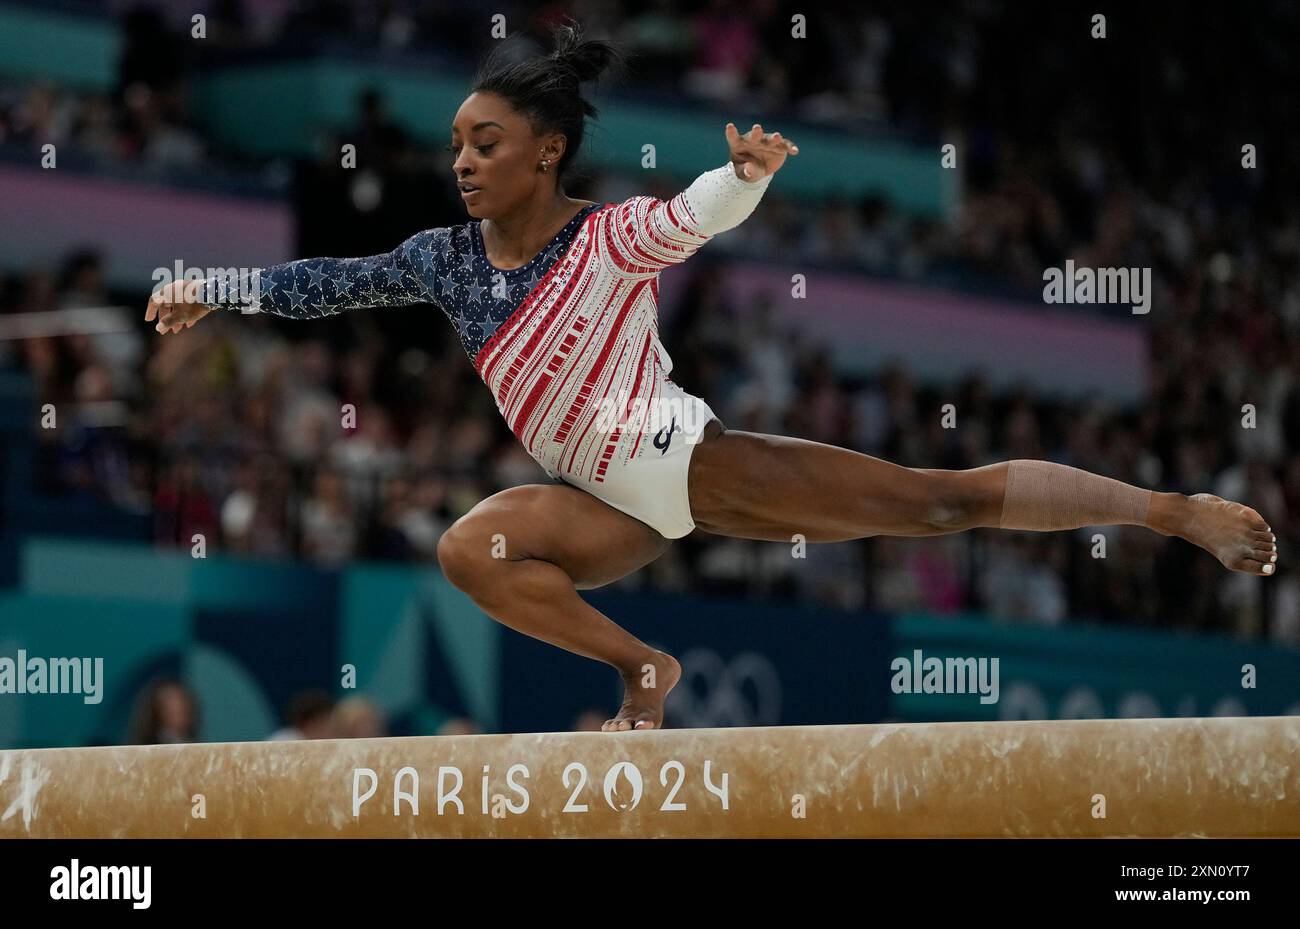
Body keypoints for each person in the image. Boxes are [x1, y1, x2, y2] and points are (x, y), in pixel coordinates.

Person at [146, 22, 1278, 733]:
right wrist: (215, 281)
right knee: (468, 548)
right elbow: (329, 282)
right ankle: (645, 671)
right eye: (455, 143)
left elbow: (691, 217)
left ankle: (1165, 510)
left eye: (485, 141)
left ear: (546, 151)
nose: (462, 161)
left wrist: (740, 178)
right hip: (599, 510)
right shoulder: (441, 259)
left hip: (688, 467)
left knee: (941, 498)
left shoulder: (606, 238)